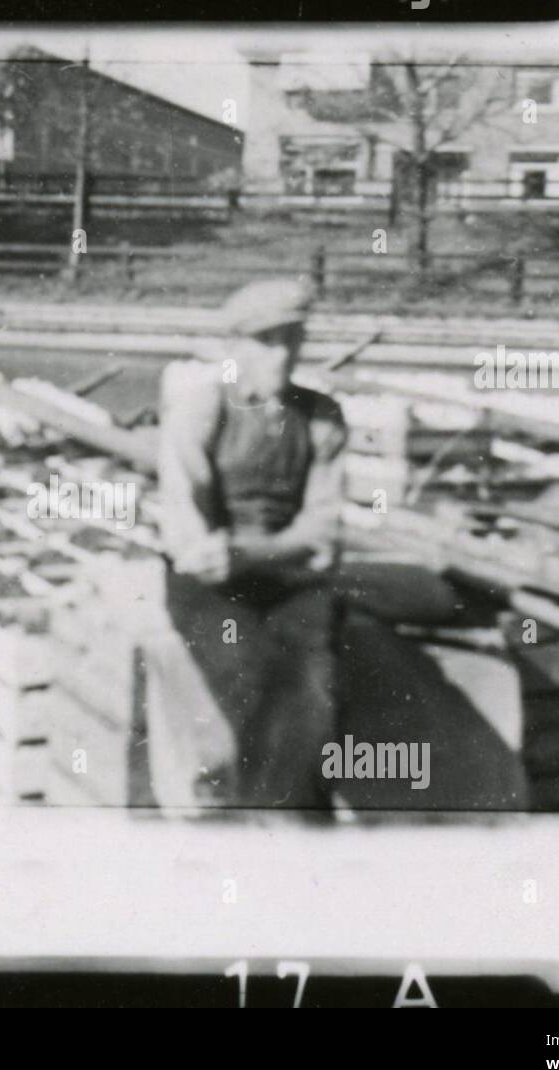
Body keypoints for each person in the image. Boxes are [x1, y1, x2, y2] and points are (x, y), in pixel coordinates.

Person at [157, 278, 348, 809]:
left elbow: (323, 532)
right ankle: (289, 833)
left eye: (293, 338)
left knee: (315, 686)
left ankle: (285, 832)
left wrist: (252, 552)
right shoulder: (200, 411)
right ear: (233, 348)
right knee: (249, 670)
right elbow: (187, 531)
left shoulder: (322, 419)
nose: (283, 354)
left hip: (290, 583)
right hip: (209, 587)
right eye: (267, 341)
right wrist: (224, 554)